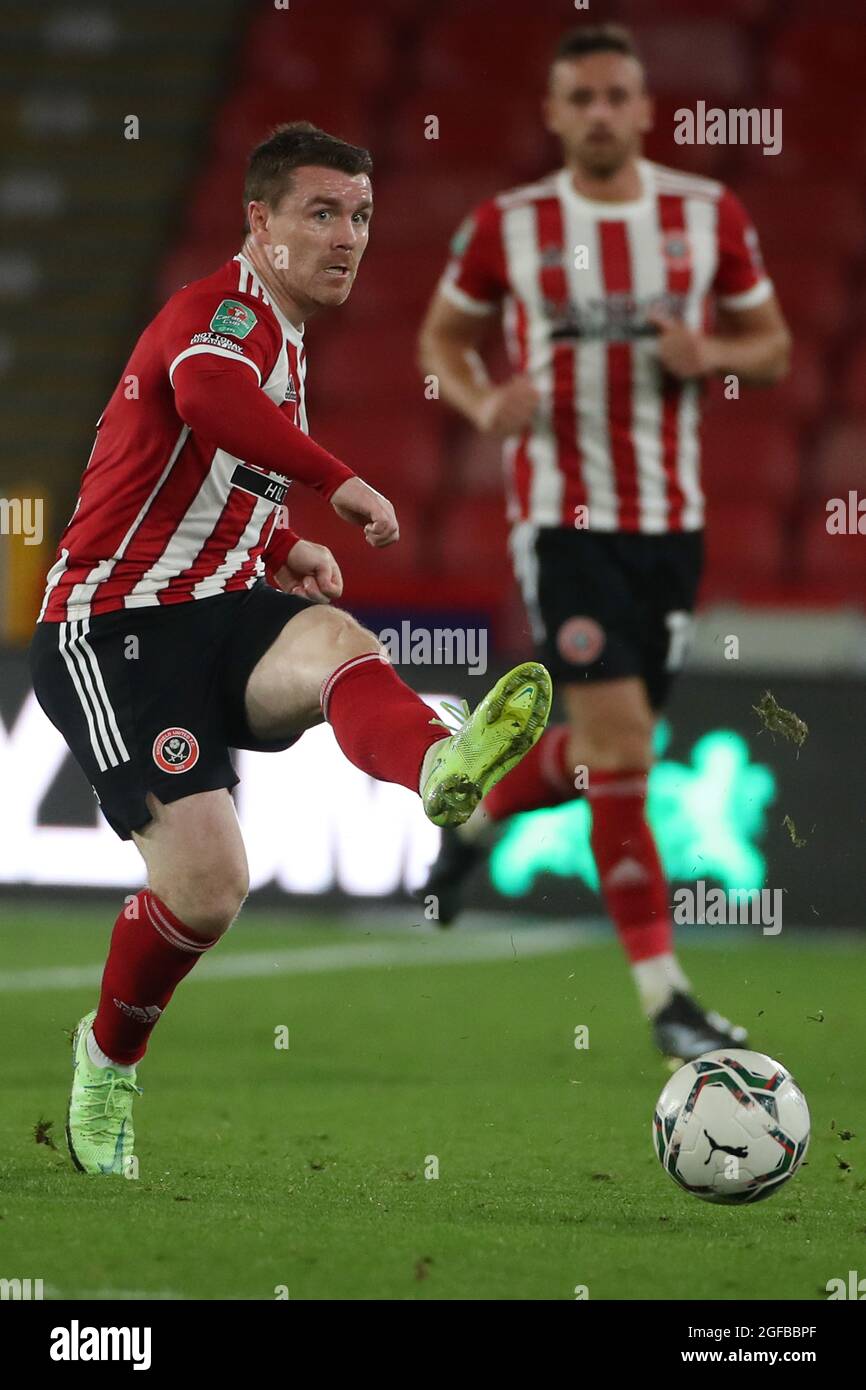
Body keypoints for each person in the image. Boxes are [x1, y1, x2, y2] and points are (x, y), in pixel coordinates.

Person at [29, 122, 552, 1174]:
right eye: (320, 212)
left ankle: (438, 764)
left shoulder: (287, 341)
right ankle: (108, 1058)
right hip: (112, 632)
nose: (346, 236)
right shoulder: (225, 311)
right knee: (210, 888)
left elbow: (199, 468)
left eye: (360, 215)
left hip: (217, 610)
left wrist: (281, 542)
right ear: (259, 224)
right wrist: (335, 480)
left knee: (335, 641)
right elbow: (206, 398)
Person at [418, 26, 791, 1061]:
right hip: (563, 525)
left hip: (669, 530)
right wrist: (483, 398)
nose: (595, 112)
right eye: (575, 96)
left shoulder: (705, 214)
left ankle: (479, 821)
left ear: (642, 109)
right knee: (622, 746)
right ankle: (665, 996)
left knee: (597, 755)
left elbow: (769, 348)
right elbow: (439, 341)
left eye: (613, 95)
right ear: (551, 113)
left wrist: (707, 350)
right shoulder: (510, 223)